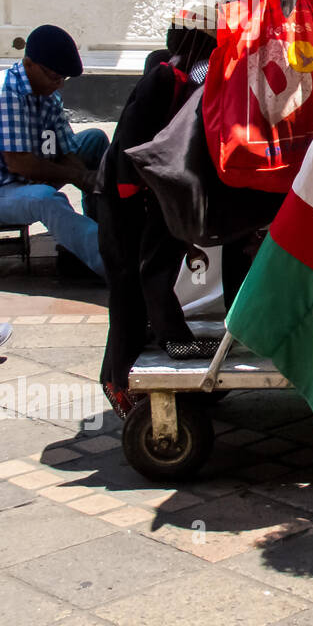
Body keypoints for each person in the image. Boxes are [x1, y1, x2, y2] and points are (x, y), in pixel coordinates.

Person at [97, 23, 219, 419]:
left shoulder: (177, 76)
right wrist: (136, 200)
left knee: (152, 273)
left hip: (145, 196)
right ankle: (117, 380)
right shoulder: (165, 78)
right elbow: (130, 141)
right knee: (128, 289)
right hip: (122, 199)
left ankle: (169, 338)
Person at [0, 25, 107, 278]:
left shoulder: (48, 94)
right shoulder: (7, 93)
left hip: (28, 175)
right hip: (6, 187)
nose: (58, 85)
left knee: (95, 140)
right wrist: (78, 176)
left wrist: (86, 176)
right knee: (47, 199)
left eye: (62, 79)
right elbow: (20, 164)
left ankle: (106, 228)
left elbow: (65, 147)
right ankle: (112, 263)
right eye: (53, 77)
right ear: (29, 64)